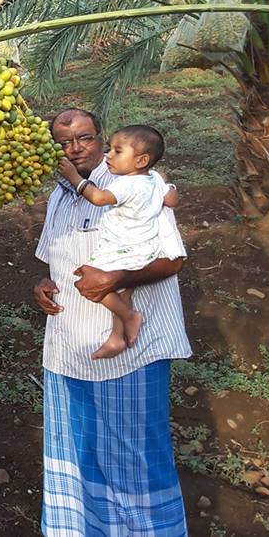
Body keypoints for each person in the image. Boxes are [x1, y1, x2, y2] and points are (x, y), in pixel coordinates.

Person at [33, 108, 192, 537]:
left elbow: (174, 259)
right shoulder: (59, 196)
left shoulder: (136, 187)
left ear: (102, 140)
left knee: (134, 461)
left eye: (83, 138)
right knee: (75, 455)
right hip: (68, 350)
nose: (74, 148)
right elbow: (54, 259)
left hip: (132, 356)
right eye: (64, 142)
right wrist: (44, 283)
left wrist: (118, 277)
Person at [57, 124, 180, 360]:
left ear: (142, 160)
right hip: (144, 247)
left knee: (92, 282)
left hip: (122, 248)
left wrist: (74, 178)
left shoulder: (127, 183)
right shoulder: (153, 178)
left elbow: (99, 198)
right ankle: (117, 337)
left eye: (117, 151)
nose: (108, 156)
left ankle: (128, 316)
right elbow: (172, 200)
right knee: (122, 290)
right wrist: (168, 185)